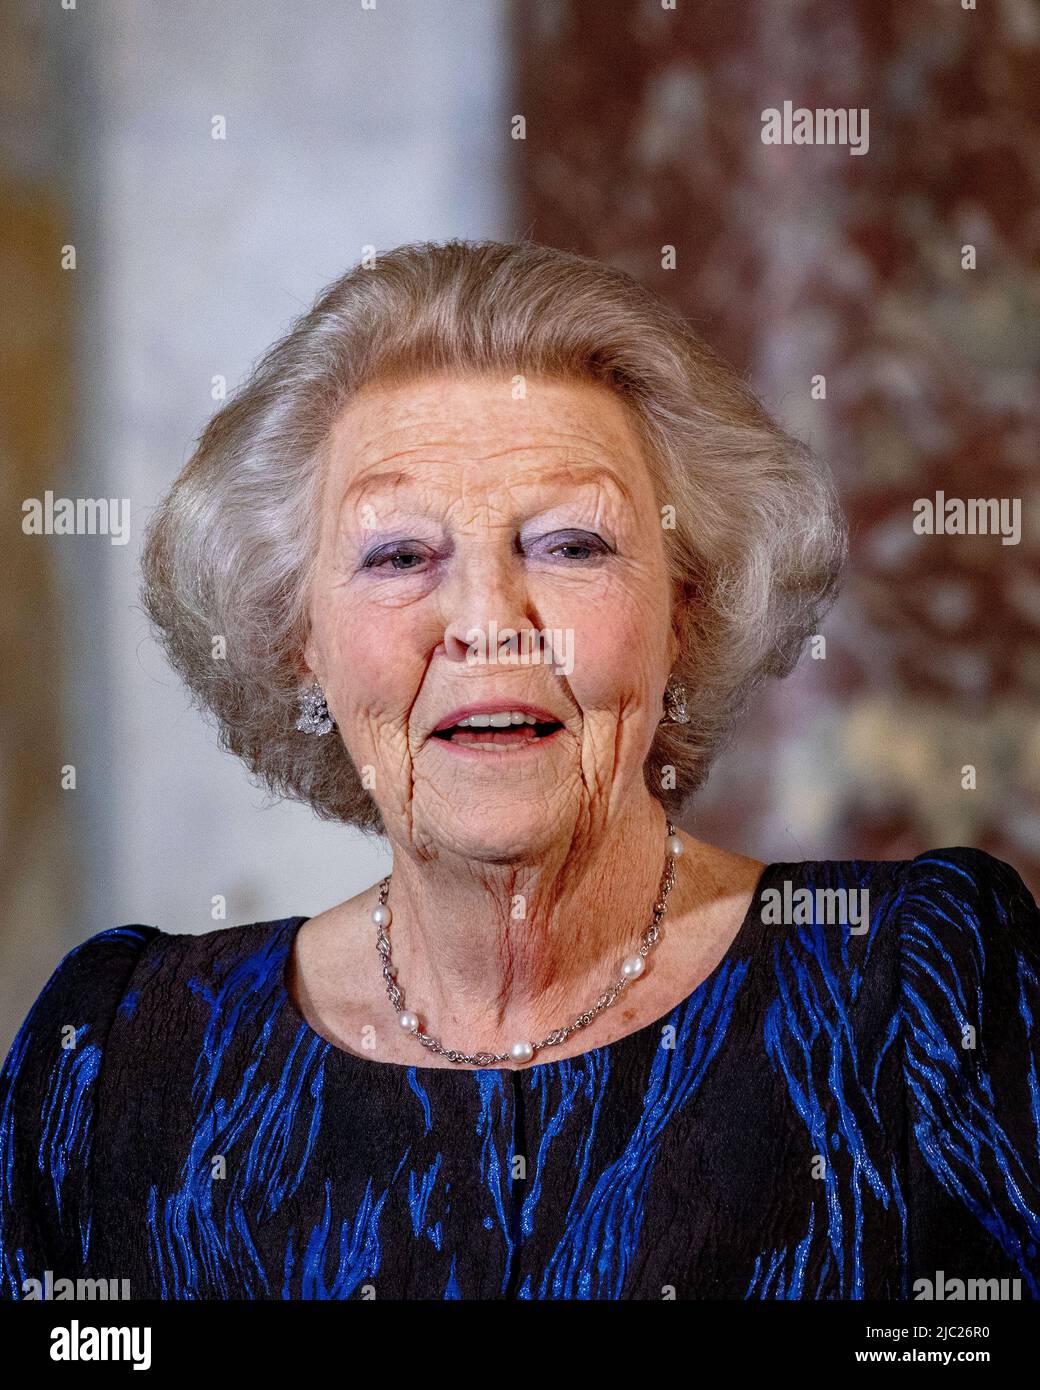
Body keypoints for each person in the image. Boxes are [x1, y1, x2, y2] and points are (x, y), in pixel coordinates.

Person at [2, 239, 1037, 1300]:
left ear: (684, 610)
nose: (489, 625)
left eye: (570, 546)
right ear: (295, 637)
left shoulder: (916, 989)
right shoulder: (120, 1056)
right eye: (399, 556)